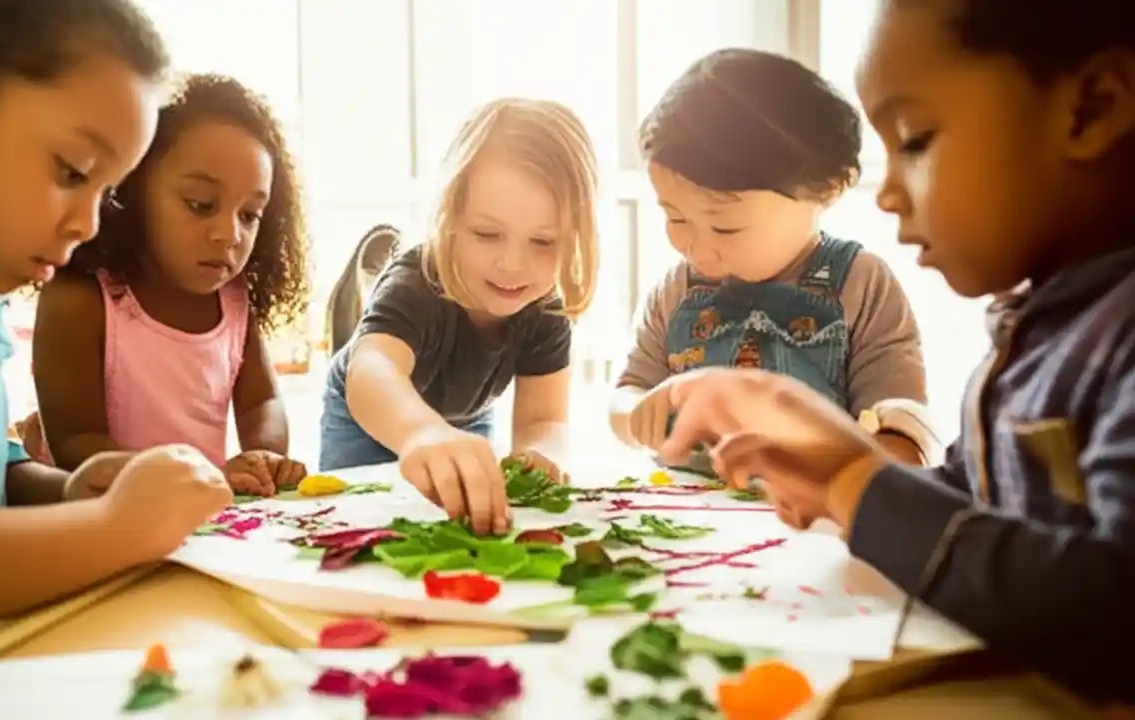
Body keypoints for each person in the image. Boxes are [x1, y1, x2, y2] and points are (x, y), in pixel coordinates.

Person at [662, 0, 1135, 701]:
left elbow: (1114, 611)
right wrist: (837, 478)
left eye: (914, 139)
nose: (886, 192)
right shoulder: (1042, 326)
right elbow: (982, 510)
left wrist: (860, 481)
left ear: (1091, 109)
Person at [0, 0, 231, 640]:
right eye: (72, 171)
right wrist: (116, 531)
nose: (88, 224)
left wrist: (68, 494)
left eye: (105, 192)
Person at [611, 48, 938, 471]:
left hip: (806, 521)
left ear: (828, 190)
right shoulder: (678, 290)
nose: (698, 249)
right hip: (687, 518)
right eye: (674, 216)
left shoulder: (860, 283)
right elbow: (627, 391)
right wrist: (637, 410)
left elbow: (904, 432)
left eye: (726, 227)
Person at [319, 98, 599, 535]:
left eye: (543, 242)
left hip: (464, 416)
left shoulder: (547, 306)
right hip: (367, 418)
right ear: (449, 219)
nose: (513, 264)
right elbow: (372, 370)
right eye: (487, 234)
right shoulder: (417, 280)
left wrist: (539, 453)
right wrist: (420, 433)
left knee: (461, 518)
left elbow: (544, 418)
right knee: (365, 526)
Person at [32, 74, 311, 497]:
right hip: (97, 523)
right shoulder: (81, 298)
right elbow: (75, 442)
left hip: (193, 520)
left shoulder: (234, 302)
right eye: (201, 205)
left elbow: (261, 402)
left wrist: (263, 456)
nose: (228, 234)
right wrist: (186, 479)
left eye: (250, 215)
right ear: (132, 188)